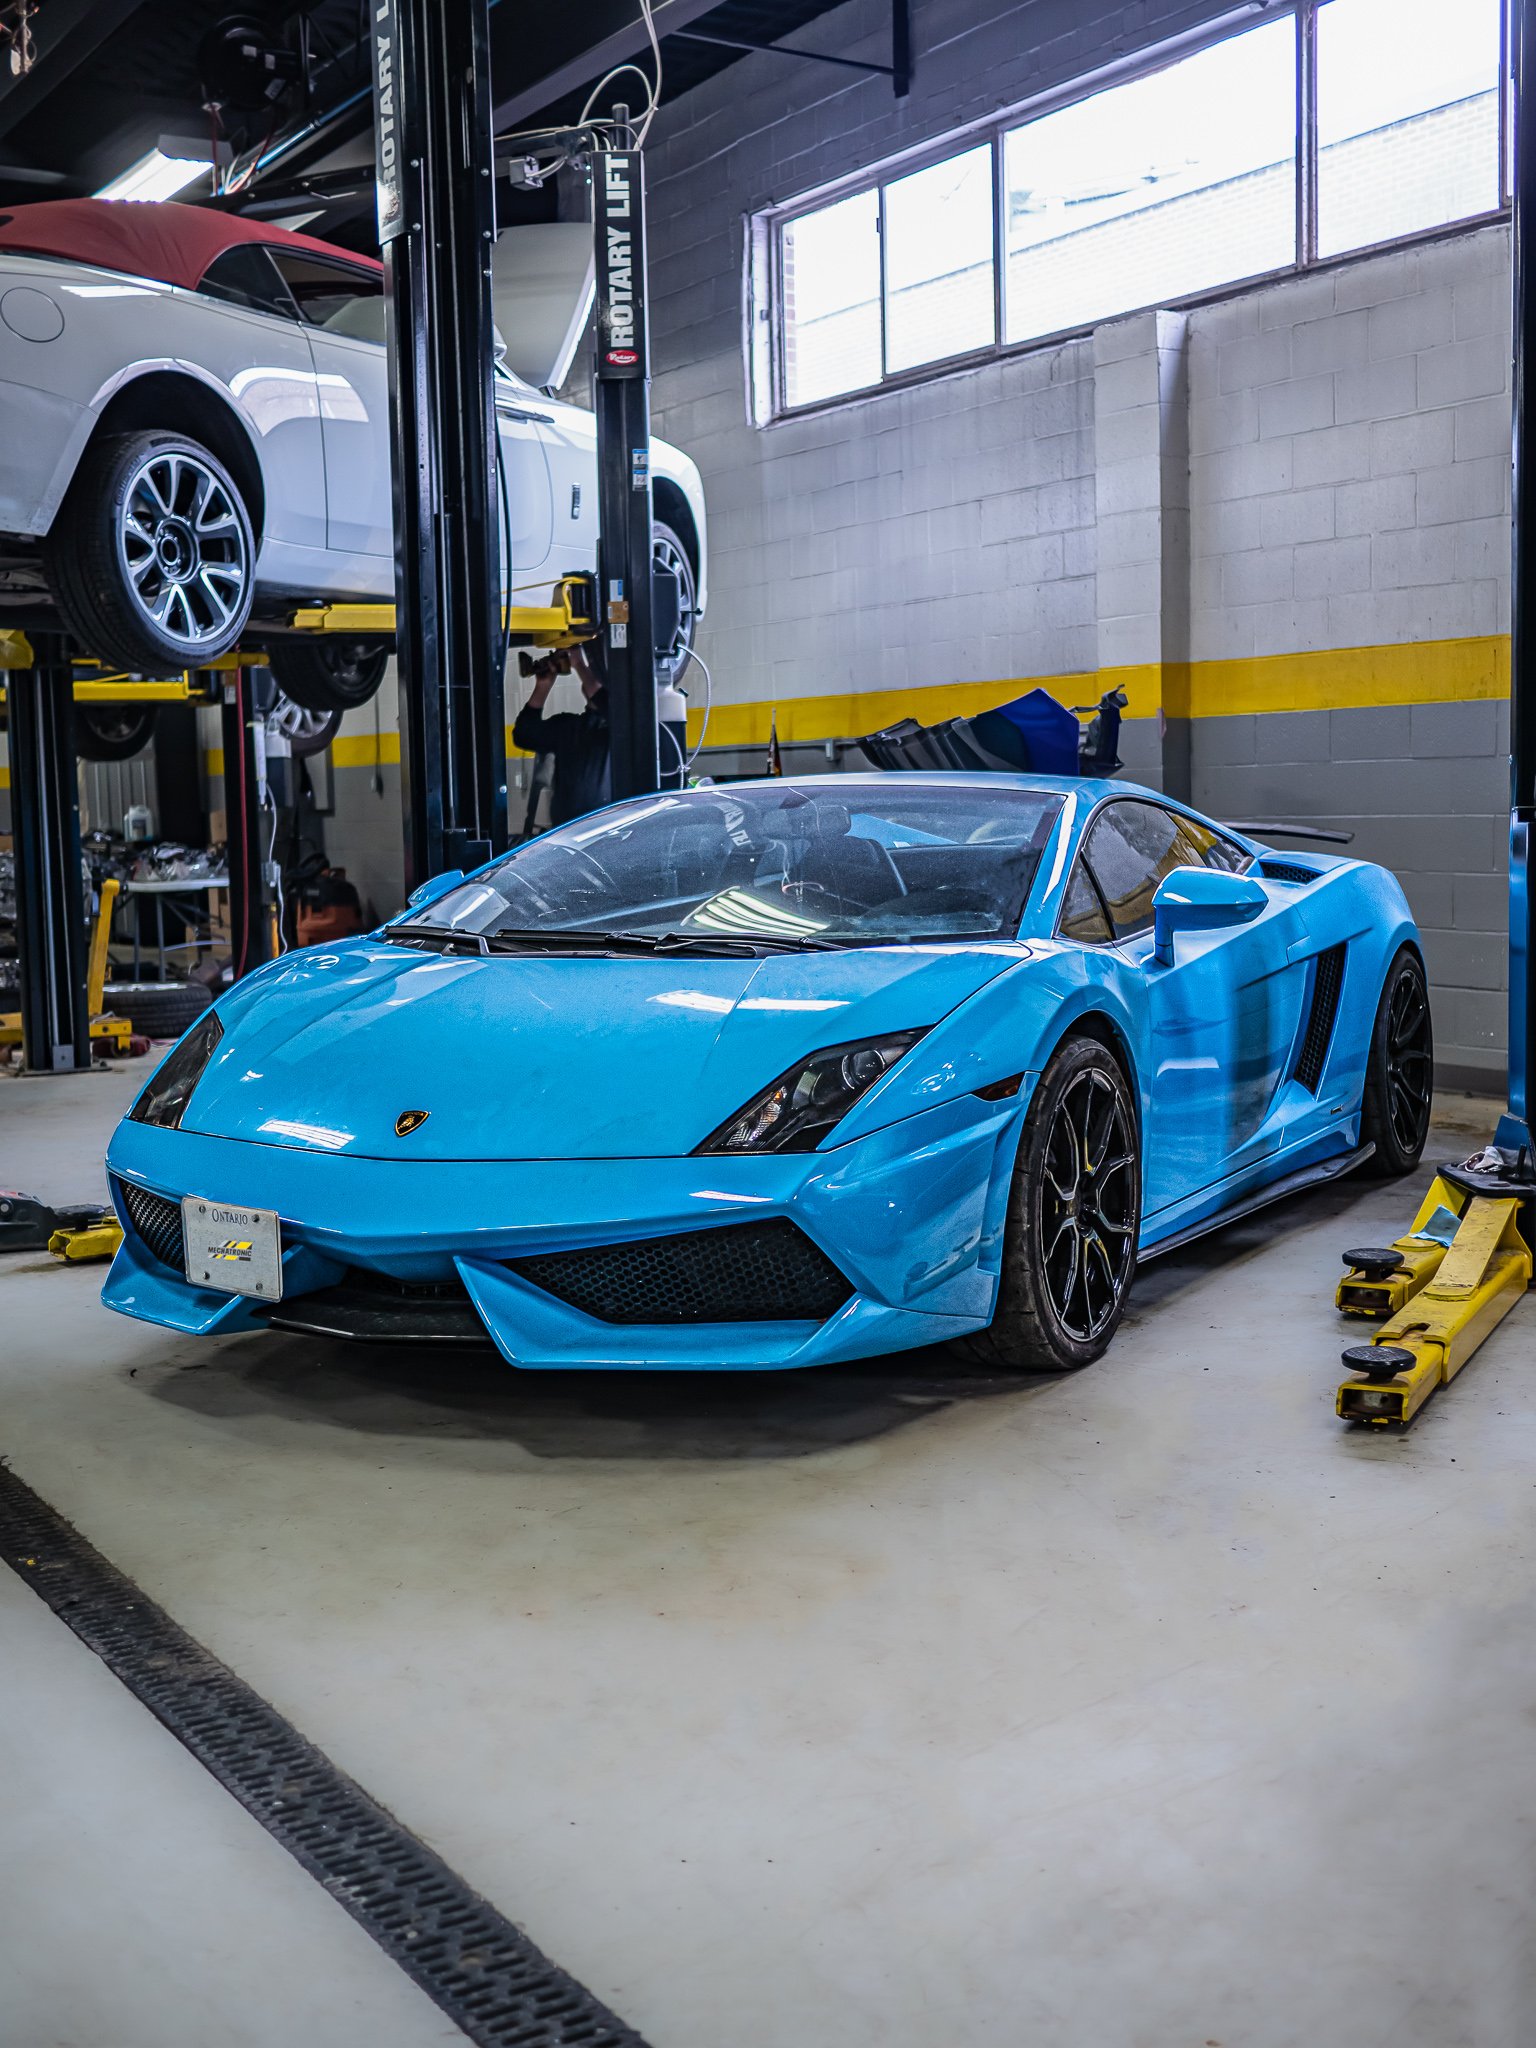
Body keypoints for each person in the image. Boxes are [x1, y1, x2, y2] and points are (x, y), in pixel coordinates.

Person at [511, 644, 611, 827]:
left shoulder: (622, 728)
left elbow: (608, 705)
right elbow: (524, 735)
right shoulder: (569, 726)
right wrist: (543, 686)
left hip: (610, 833)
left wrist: (580, 665)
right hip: (567, 831)